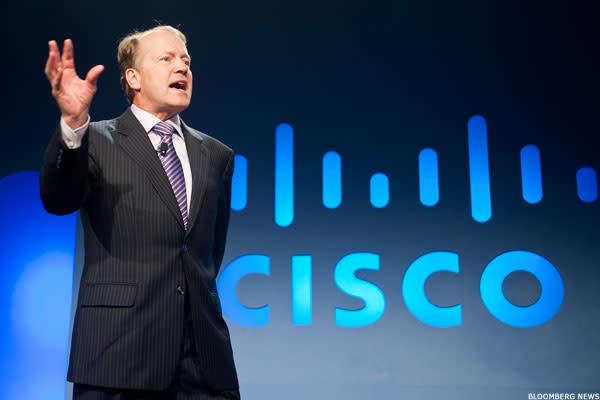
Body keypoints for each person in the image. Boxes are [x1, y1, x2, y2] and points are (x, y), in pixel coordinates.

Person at [41, 25, 240, 399]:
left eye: (186, 61)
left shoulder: (216, 155)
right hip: (119, 355)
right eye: (166, 59)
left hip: (204, 365)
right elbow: (58, 199)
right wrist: (73, 125)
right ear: (133, 78)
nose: (181, 68)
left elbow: (208, 254)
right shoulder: (96, 140)